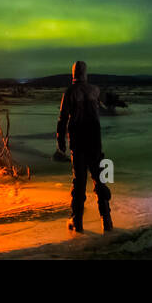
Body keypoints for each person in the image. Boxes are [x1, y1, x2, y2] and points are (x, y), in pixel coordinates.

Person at [54, 59, 113, 232]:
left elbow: (63, 118)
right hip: (95, 140)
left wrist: (60, 140)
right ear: (85, 73)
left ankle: (77, 220)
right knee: (99, 178)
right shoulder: (95, 90)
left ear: (73, 73)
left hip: (78, 140)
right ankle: (107, 220)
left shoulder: (70, 92)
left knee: (79, 181)